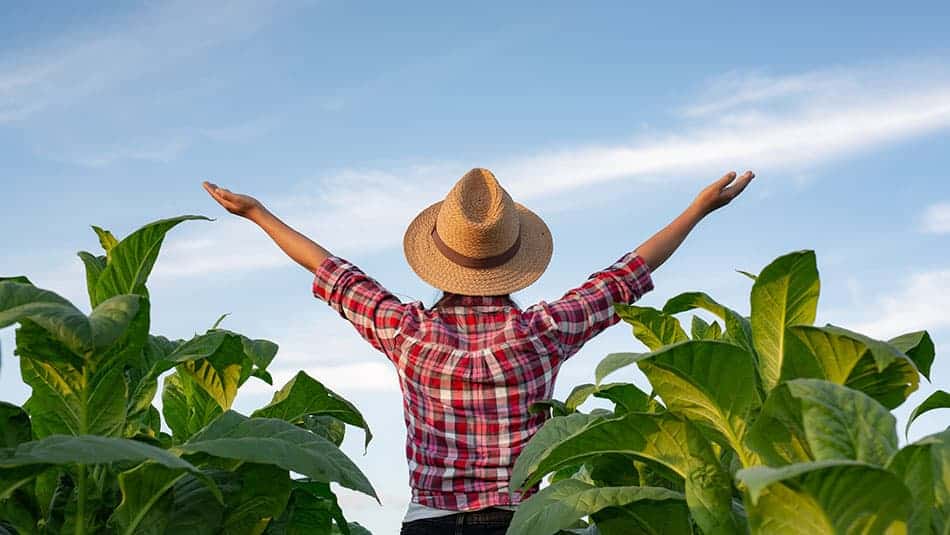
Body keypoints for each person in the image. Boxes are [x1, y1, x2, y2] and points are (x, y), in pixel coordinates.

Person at [203, 167, 754, 535]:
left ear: (438, 260)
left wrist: (257, 214)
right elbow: (624, 275)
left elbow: (332, 271)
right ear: (513, 261)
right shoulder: (543, 330)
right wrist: (698, 209)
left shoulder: (406, 330)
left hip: (429, 523)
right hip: (522, 522)